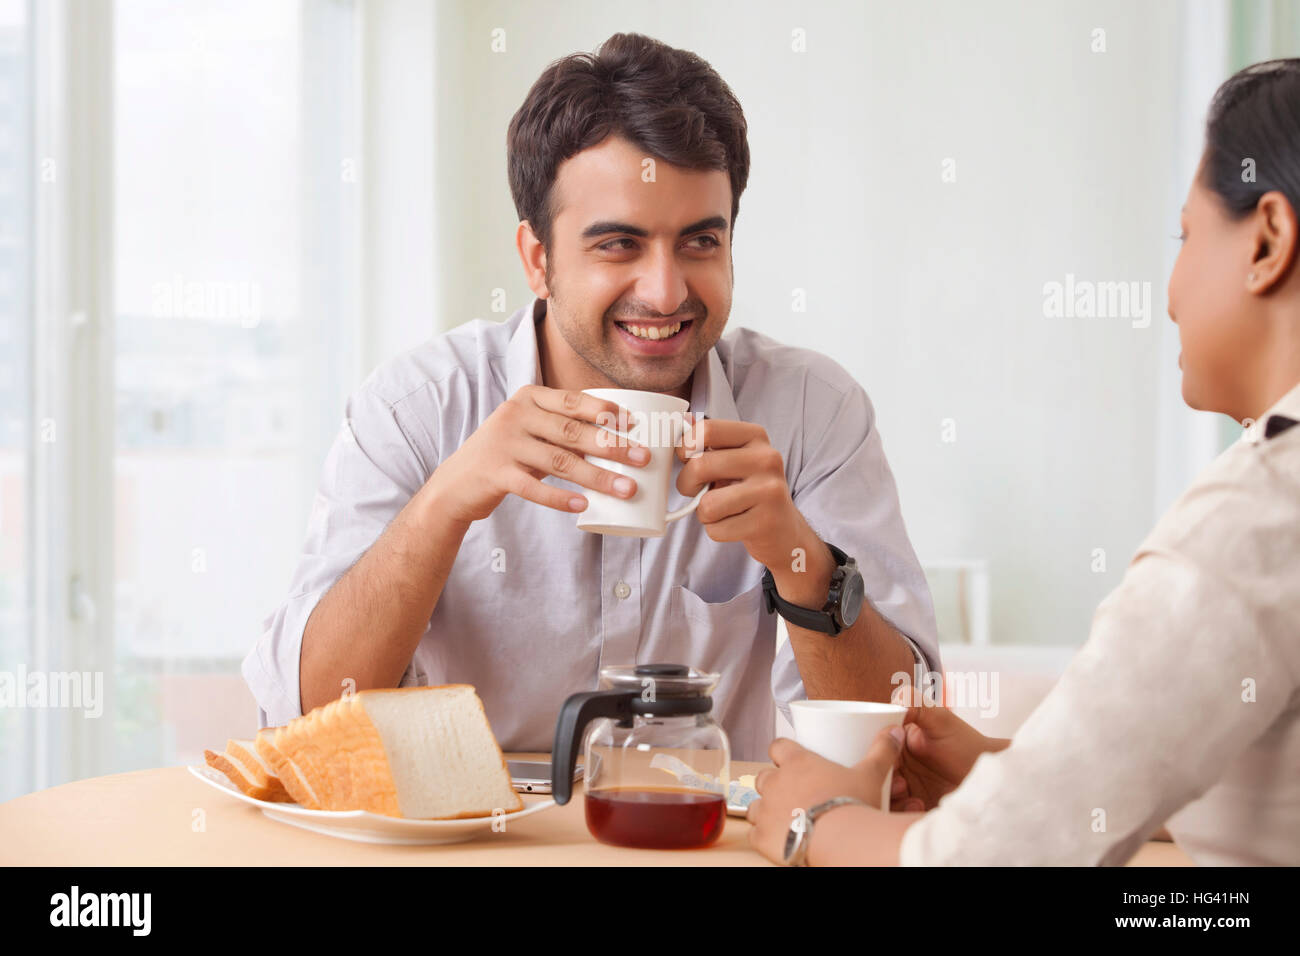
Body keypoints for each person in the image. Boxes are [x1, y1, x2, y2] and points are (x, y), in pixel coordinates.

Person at [241, 33, 940, 761]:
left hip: (703, 842)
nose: (666, 291)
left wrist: (800, 560)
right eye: (619, 245)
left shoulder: (811, 411)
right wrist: (444, 505)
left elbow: (906, 734)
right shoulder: (416, 410)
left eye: (701, 242)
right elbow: (303, 722)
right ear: (538, 260)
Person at [748, 58, 1300, 863]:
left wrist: (817, 824)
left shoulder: (1260, 512)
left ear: (1269, 241)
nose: (1173, 291)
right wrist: (1007, 777)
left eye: (1187, 236)